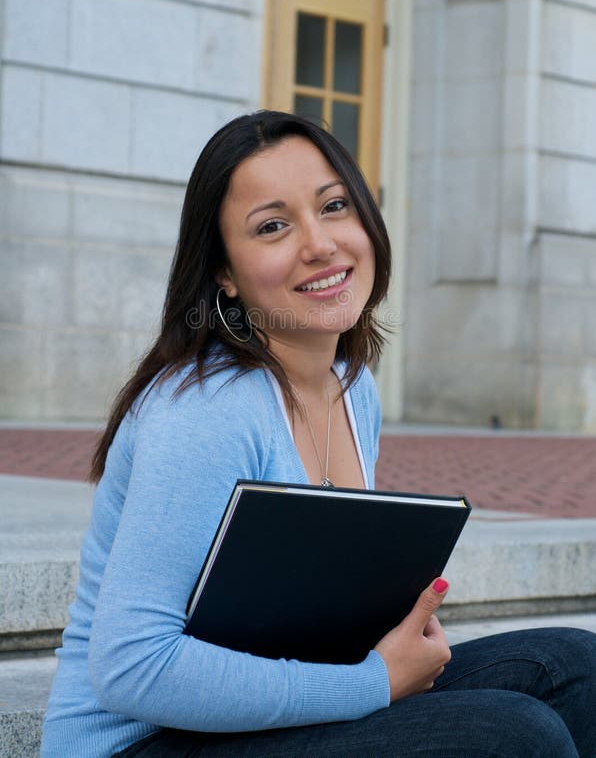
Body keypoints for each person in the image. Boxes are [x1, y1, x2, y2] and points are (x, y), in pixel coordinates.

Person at [41, 110, 596, 757]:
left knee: (574, 667)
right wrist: (372, 683)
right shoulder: (206, 410)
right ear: (225, 272)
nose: (320, 243)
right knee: (509, 736)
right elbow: (133, 666)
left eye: (333, 206)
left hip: (264, 719)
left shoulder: (353, 386)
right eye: (273, 225)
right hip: (141, 742)